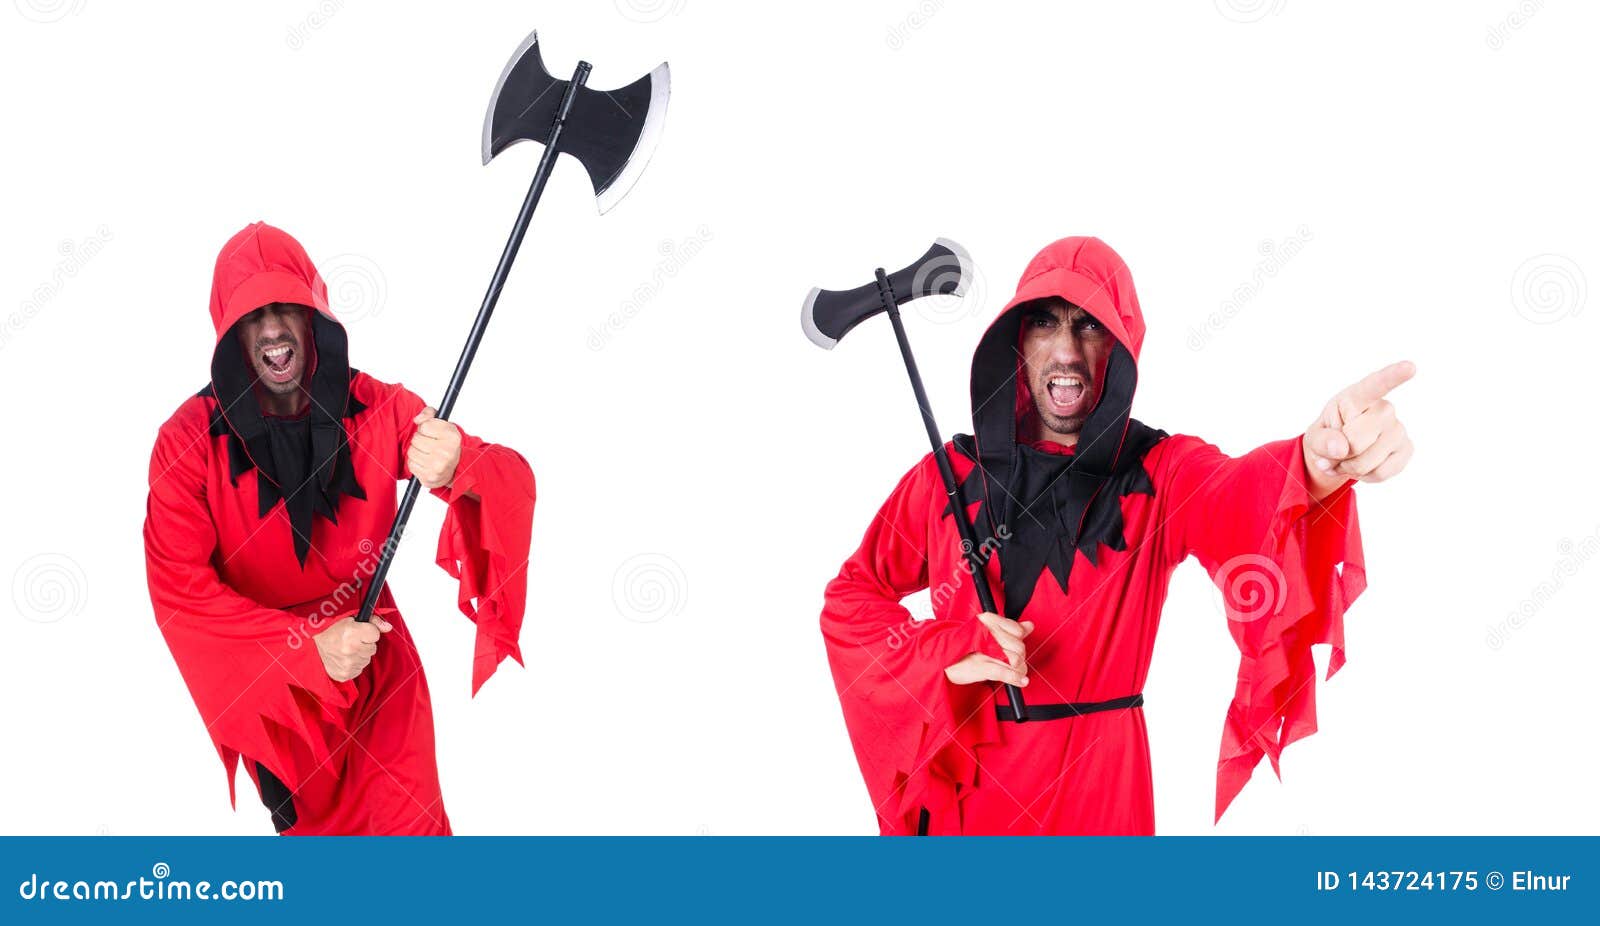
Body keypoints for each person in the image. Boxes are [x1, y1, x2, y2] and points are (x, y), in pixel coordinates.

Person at [820, 236, 1413, 835]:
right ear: (1017, 341)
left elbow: (1239, 496)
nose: (1066, 350)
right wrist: (946, 649)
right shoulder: (947, 478)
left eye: (1090, 326)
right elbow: (851, 601)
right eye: (1045, 322)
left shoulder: (1160, 471)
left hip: (1101, 803)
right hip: (967, 812)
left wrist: (1311, 465)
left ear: (1121, 347)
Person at [144, 222, 536, 835]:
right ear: (231, 335)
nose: (272, 325)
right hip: (283, 699)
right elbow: (179, 594)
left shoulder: (374, 406)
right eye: (253, 314)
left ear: (311, 318)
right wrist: (303, 651)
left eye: (284, 307)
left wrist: (463, 462)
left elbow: (509, 480)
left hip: (379, 674)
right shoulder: (185, 444)